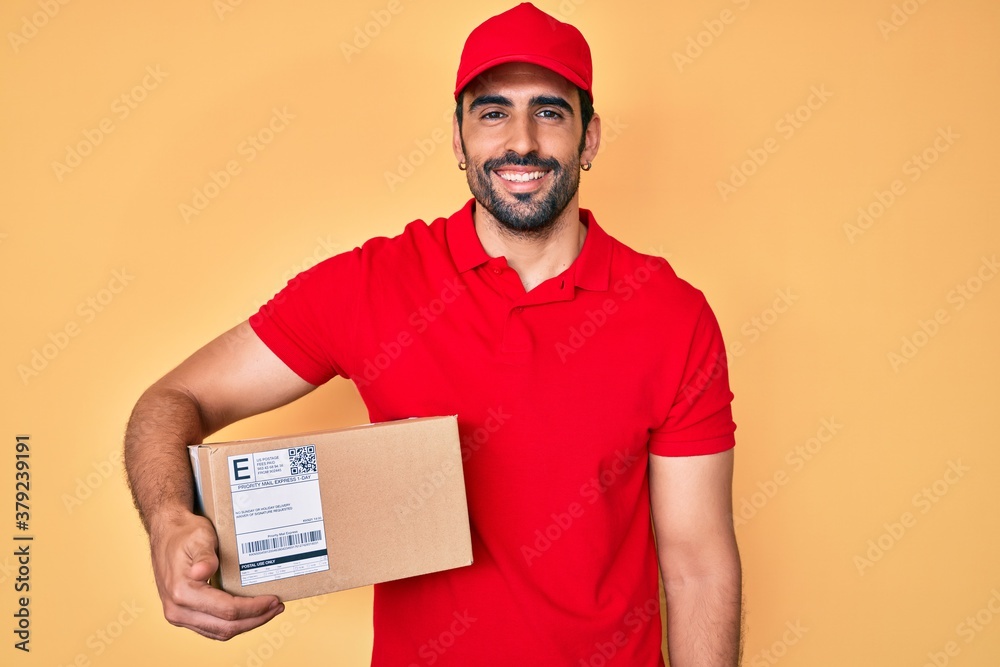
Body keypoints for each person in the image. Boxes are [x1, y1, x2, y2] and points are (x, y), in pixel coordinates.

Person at [124, 3, 742, 665]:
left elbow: (698, 564)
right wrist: (167, 516)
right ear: (459, 139)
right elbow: (170, 402)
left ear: (589, 139)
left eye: (551, 111)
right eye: (493, 111)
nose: (523, 142)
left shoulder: (672, 316)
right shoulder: (371, 285)